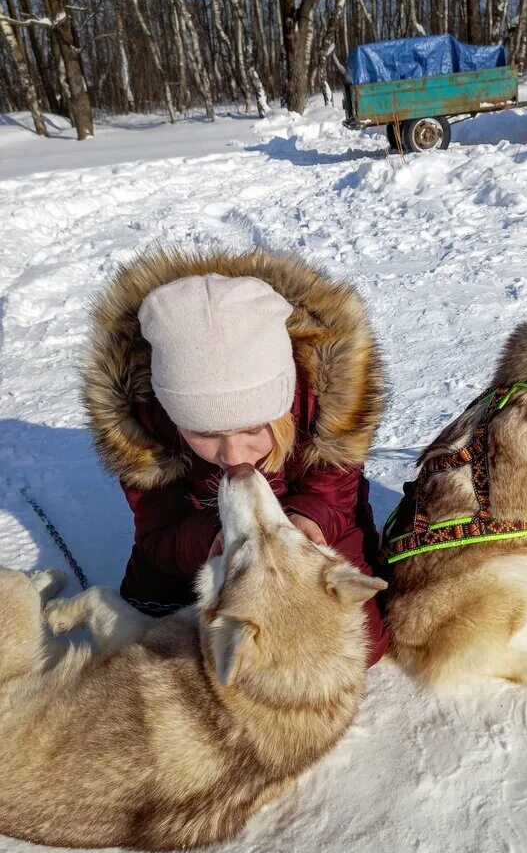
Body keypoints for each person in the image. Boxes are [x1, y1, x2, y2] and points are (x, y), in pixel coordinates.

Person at [83, 249, 388, 665]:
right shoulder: (143, 425)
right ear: (171, 417)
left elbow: (337, 493)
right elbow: (158, 533)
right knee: (155, 634)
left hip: (299, 537)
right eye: (205, 434)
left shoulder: (325, 405)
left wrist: (311, 518)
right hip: (203, 535)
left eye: (253, 429)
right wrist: (210, 541)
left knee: (359, 640)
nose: (234, 455)